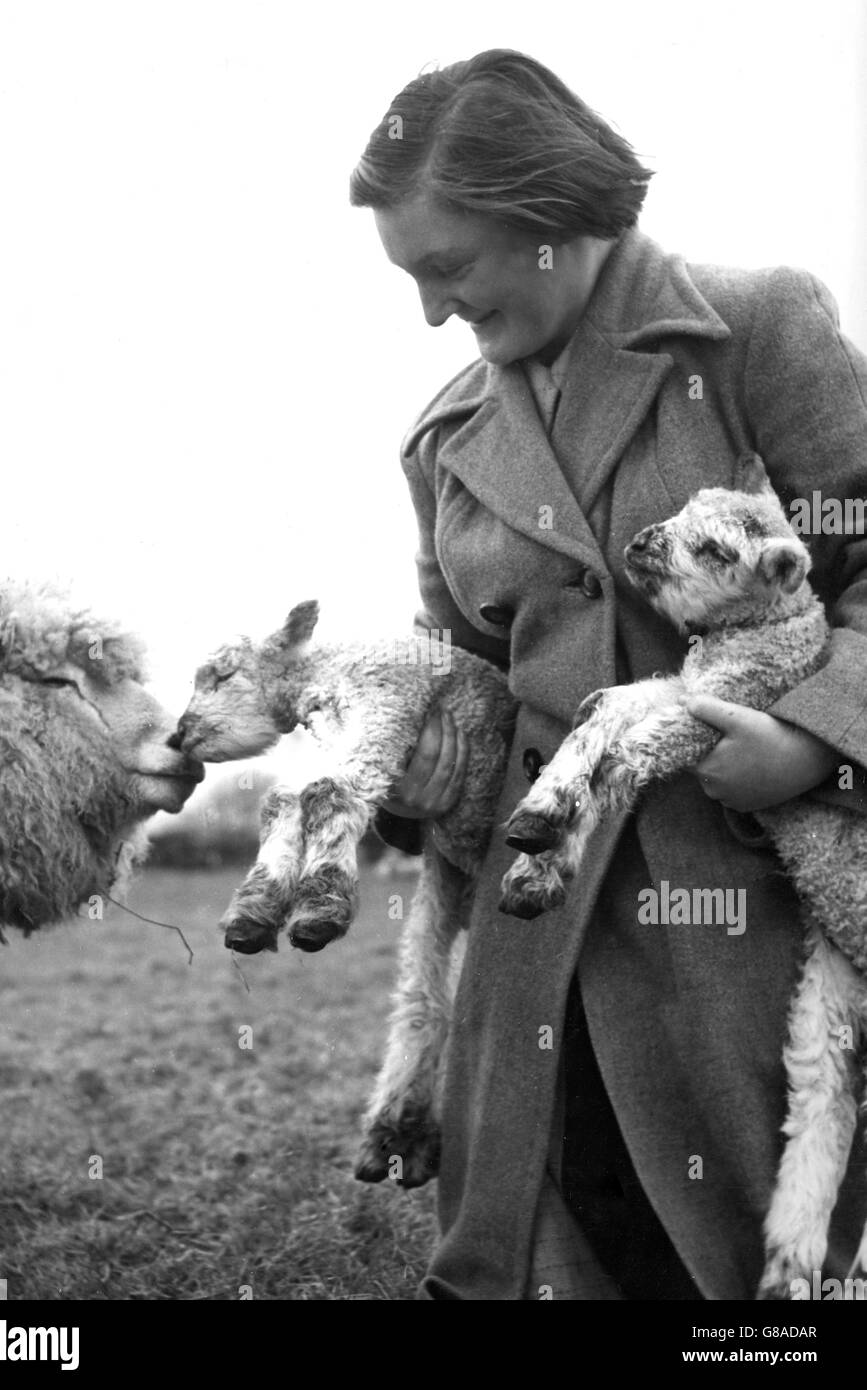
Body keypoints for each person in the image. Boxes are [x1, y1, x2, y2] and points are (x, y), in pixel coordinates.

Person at [349, 48, 867, 1300]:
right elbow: (462, 680)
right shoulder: (442, 436)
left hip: (748, 945)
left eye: (445, 269)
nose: (431, 312)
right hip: (533, 963)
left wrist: (810, 733)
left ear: (540, 217)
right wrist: (414, 760)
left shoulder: (751, 332)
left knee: (753, 1289)